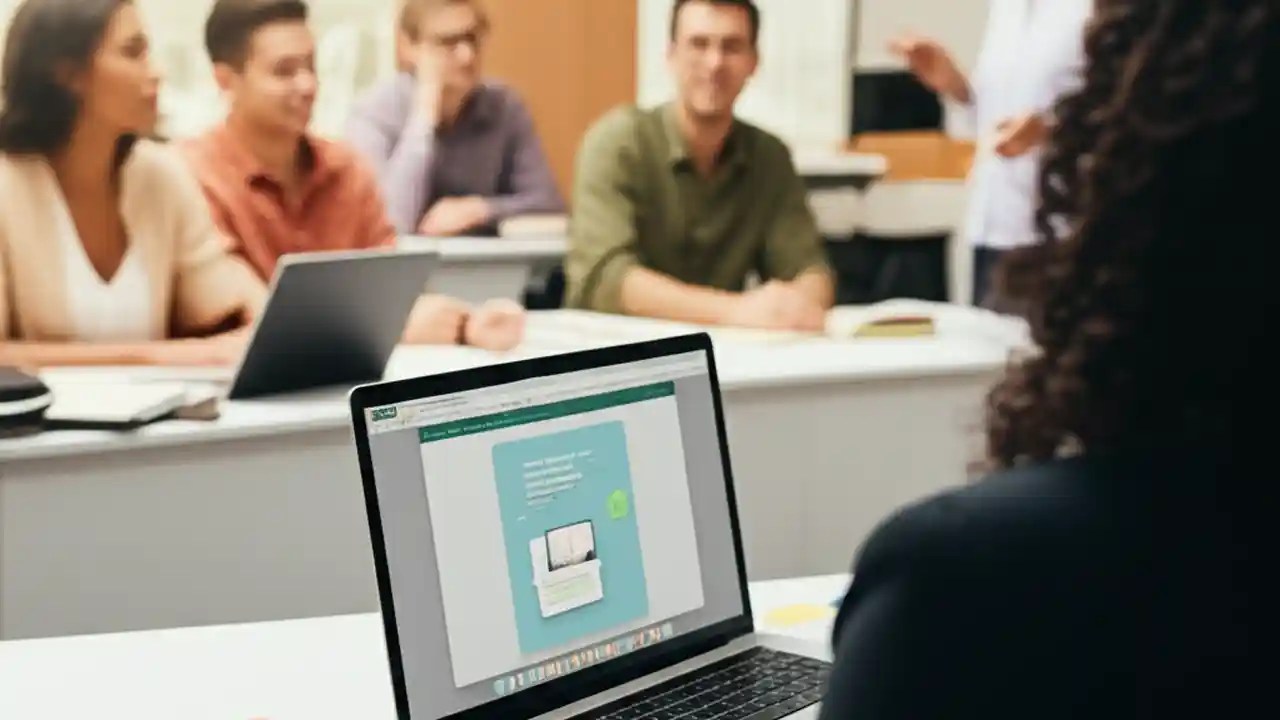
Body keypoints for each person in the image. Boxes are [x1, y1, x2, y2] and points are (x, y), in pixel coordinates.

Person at [820, 0, 1272, 716]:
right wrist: (957, 90)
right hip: (1010, 225)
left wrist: (1053, 132)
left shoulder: (958, 579)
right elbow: (991, 116)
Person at [181, 0, 523, 350]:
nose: (307, 84)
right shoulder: (191, 175)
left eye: (311, 66)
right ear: (225, 80)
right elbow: (239, 323)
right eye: (284, 71)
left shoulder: (346, 168)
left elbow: (392, 287)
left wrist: (468, 324)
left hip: (349, 384)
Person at [0, 0, 265, 368]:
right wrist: (157, 356)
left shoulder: (160, 174)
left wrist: (267, 318)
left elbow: (222, 290)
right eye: (132, 53)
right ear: (66, 72)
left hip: (155, 423)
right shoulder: (7, 185)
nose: (156, 73)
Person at [566, 0, 834, 331]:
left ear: (754, 62)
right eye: (699, 44)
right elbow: (607, 278)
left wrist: (801, 304)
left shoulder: (768, 155)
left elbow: (808, 268)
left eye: (732, 47)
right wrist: (735, 311)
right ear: (671, 54)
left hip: (728, 354)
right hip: (615, 352)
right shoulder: (617, 143)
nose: (715, 62)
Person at [891, 0, 1092, 309]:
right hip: (993, 230)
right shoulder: (1007, 8)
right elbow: (991, 123)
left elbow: (1128, 117)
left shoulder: (1099, 10)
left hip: (1062, 236)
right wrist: (957, 88)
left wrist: (1053, 131)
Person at [346, 0, 563, 237]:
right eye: (448, 42)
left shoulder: (505, 106)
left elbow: (548, 204)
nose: (466, 56)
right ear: (409, 47)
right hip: (404, 270)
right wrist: (424, 119)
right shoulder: (372, 114)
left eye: (471, 39)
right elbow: (389, 224)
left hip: (487, 267)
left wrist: (481, 209)